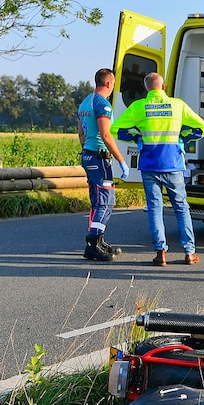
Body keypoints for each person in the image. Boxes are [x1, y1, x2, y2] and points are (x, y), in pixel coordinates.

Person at [110, 73, 204, 266]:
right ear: (163, 87)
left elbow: (116, 129)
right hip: (173, 165)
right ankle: (189, 253)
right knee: (181, 208)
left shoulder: (138, 107)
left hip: (149, 165)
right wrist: (184, 138)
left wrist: (137, 138)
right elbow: (201, 128)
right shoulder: (177, 105)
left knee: (155, 209)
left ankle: (161, 252)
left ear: (146, 89)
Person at [76, 68, 127, 262]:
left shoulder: (84, 103)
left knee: (97, 200)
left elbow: (81, 134)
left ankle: (99, 240)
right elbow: (105, 135)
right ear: (108, 83)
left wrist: (87, 152)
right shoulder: (102, 104)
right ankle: (93, 243)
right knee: (106, 201)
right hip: (99, 157)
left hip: (88, 155)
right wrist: (121, 160)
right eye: (113, 83)